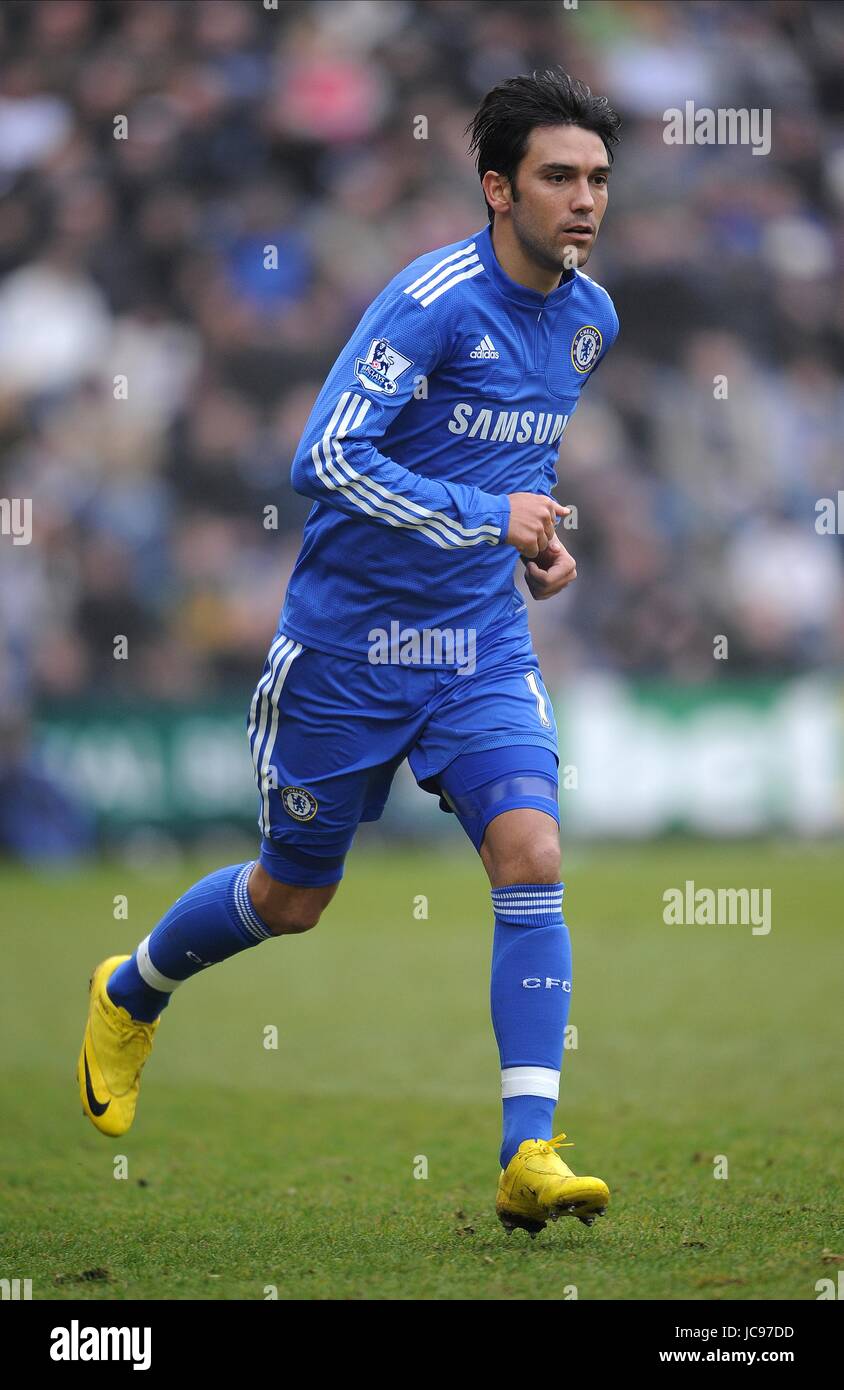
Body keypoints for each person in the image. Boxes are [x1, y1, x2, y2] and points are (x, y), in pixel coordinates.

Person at [78, 68, 621, 1237]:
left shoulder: (591, 321)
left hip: (477, 641)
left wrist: (534, 539)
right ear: (496, 188)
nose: (584, 200)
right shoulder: (431, 299)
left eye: (597, 179)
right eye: (558, 177)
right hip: (347, 652)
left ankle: (529, 1149)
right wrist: (489, 518)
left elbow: (511, 465)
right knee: (290, 898)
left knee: (531, 851)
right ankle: (133, 989)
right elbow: (323, 459)